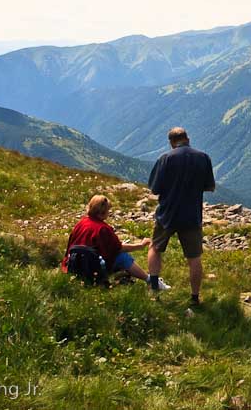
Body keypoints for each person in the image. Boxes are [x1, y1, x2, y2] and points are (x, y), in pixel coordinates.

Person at [147, 127, 215, 306]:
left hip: (167, 214)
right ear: (188, 139)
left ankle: (153, 288)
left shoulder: (165, 158)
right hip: (192, 215)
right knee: (194, 257)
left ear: (171, 142)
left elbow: (155, 189)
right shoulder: (203, 158)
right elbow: (209, 186)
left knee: (155, 248)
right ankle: (194, 297)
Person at [62, 194, 170, 289]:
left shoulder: (81, 223)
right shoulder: (103, 228)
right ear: (102, 212)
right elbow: (118, 248)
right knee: (122, 257)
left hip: (74, 264)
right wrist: (140, 245)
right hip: (92, 267)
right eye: (108, 210)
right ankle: (150, 280)